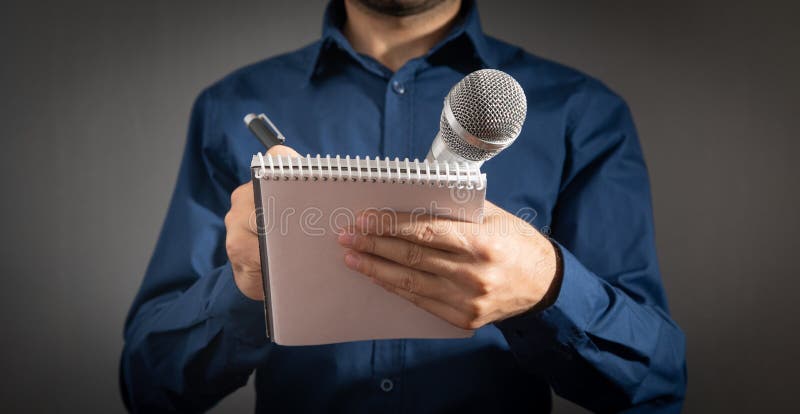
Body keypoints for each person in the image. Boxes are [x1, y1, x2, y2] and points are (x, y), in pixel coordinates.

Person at [120, 0, 687, 412]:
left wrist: (548, 288)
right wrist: (243, 287)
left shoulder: (582, 111)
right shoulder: (230, 106)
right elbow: (150, 385)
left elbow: (656, 382)